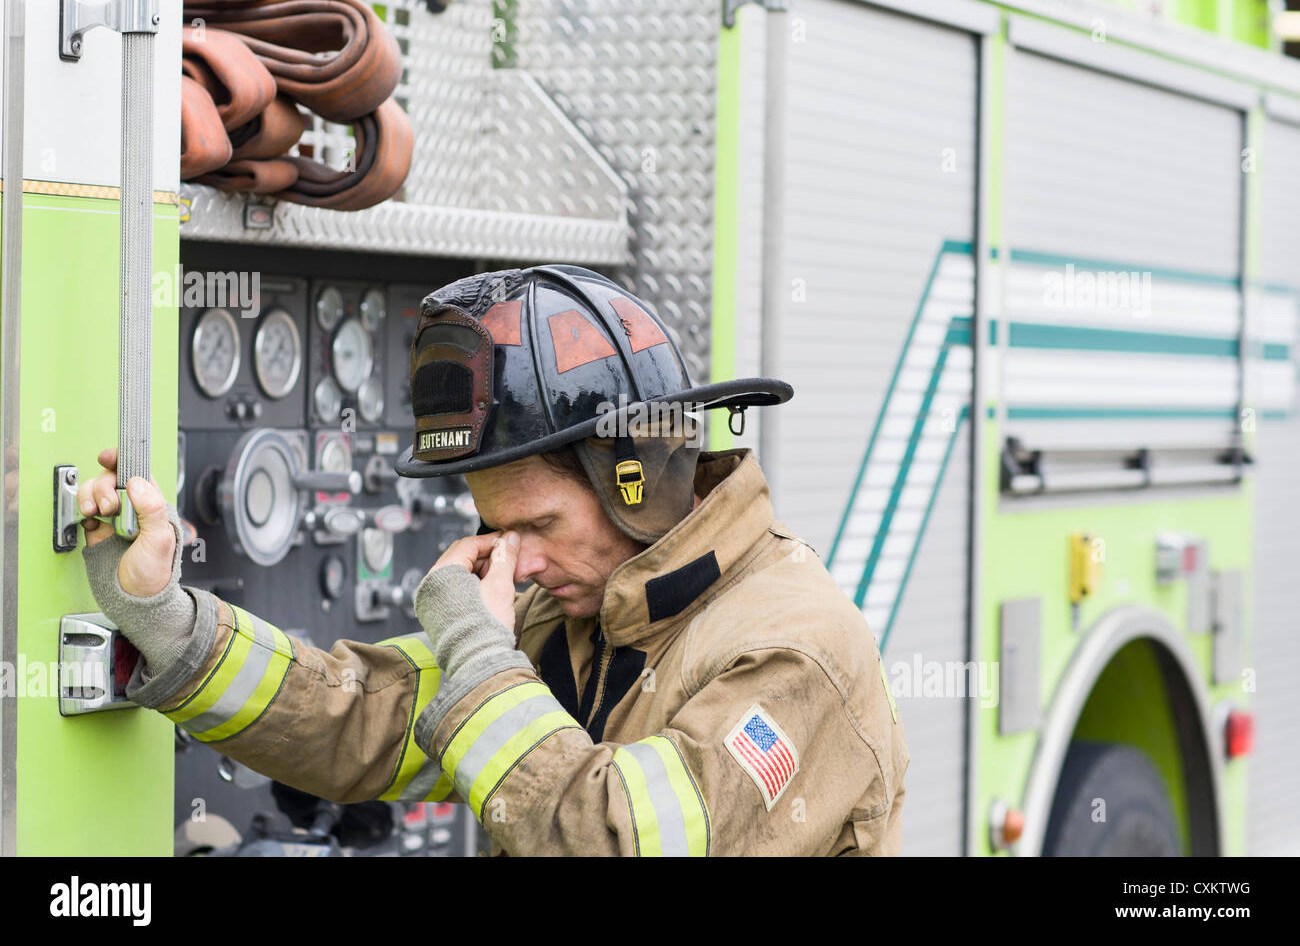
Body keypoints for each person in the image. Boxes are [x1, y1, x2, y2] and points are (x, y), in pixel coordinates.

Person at [80, 265, 909, 856]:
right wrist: (161, 615)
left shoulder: (793, 652)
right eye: (494, 527)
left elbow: (609, 840)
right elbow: (357, 717)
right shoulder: (578, 619)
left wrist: (480, 660)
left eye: (538, 522)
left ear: (639, 478)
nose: (519, 560)